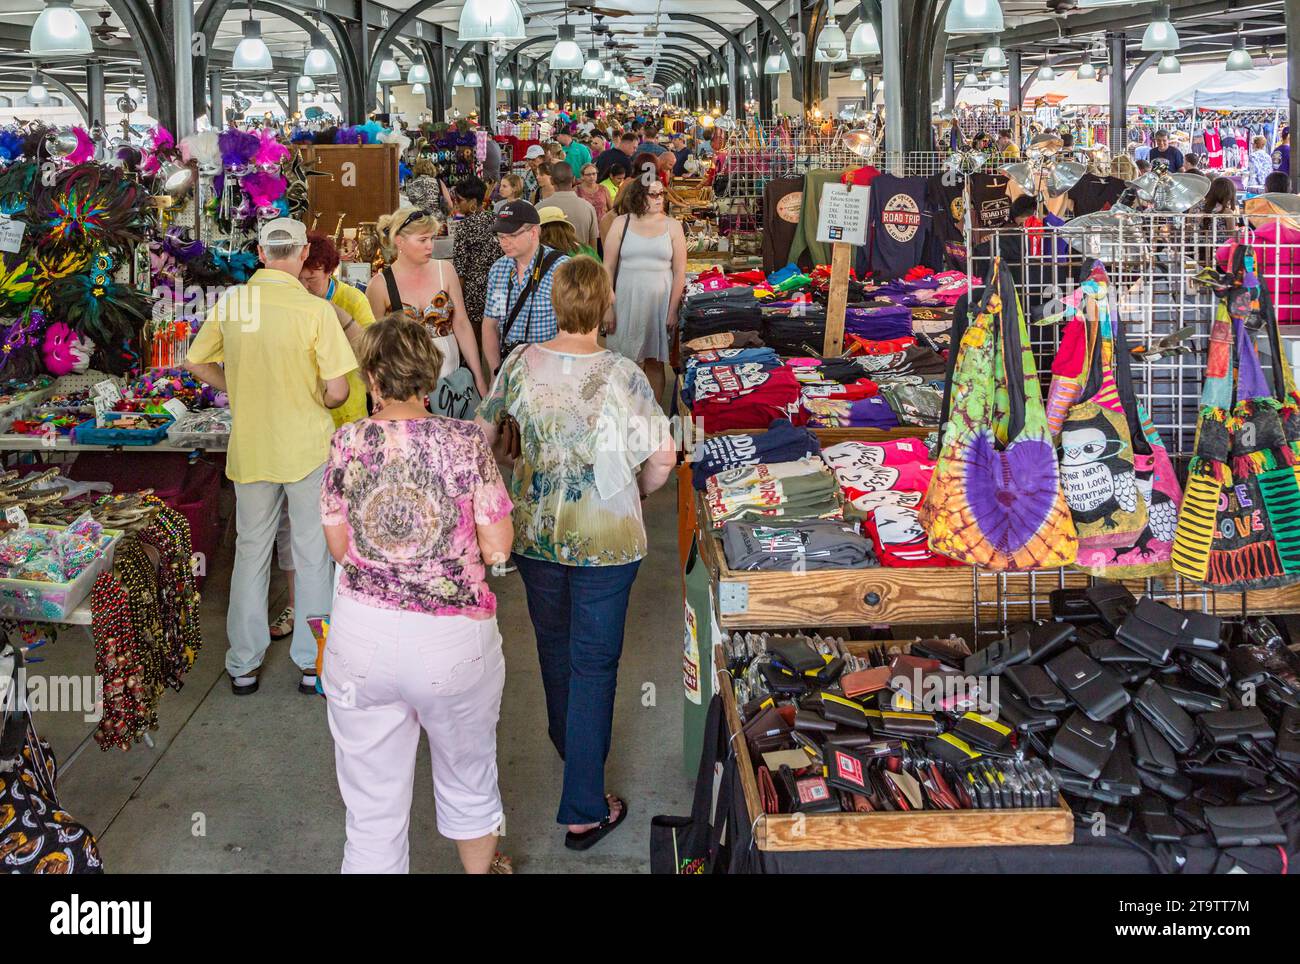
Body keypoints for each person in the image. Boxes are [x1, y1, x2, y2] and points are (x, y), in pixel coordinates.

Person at [475, 256, 676, 850]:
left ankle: (574, 749)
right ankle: (585, 804)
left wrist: (516, 470)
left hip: (537, 533)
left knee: (555, 652)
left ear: (557, 304)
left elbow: (483, 437)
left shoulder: (519, 364)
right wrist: (631, 492)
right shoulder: (624, 374)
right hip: (609, 540)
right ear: (604, 305)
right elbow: (663, 458)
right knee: (595, 664)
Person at [322, 313, 514, 875]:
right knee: (469, 773)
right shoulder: (464, 443)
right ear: (429, 377)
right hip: (453, 640)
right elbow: (498, 547)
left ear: (372, 379)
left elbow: (339, 546)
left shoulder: (346, 442)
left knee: (372, 808)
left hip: (362, 637)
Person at [184, 218, 355, 696]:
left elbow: (195, 361)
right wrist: (318, 398)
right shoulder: (315, 310)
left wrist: (236, 388)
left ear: (260, 253)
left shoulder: (234, 303)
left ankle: (243, 663)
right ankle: (312, 662)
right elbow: (338, 390)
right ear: (302, 255)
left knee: (251, 552)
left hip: (253, 446)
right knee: (313, 556)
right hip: (307, 448)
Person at [367, 207, 488, 398]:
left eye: (432, 239)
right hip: (404, 388)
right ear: (400, 241)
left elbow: (462, 324)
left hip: (452, 385)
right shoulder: (379, 285)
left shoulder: (445, 270)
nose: (430, 246)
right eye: (422, 240)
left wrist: (478, 377)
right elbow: (374, 347)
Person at [602, 174, 686, 405]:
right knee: (624, 362)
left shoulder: (673, 226)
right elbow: (607, 267)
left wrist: (672, 310)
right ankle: (626, 413)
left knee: (654, 362)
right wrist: (607, 306)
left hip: (659, 303)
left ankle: (653, 415)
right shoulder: (622, 223)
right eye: (654, 194)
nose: (660, 199)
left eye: (662, 194)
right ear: (640, 196)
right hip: (626, 300)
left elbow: (680, 271)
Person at [481, 200, 569, 373]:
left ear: (534, 232)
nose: (504, 243)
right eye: (500, 236)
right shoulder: (498, 269)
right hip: (509, 367)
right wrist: (494, 373)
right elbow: (491, 324)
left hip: (549, 369)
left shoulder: (562, 269)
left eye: (511, 235)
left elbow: (575, 330)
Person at [450, 175, 504, 350]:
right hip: (499, 287)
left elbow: (460, 268)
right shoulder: (497, 220)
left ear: (473, 202)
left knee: (474, 343)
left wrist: (457, 300)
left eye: (459, 200)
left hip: (474, 291)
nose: (456, 204)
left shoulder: (464, 228)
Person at [538, 162, 599, 250]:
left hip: (550, 262)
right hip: (580, 262)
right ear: (573, 179)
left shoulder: (539, 208)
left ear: (551, 180)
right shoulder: (588, 208)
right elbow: (593, 248)